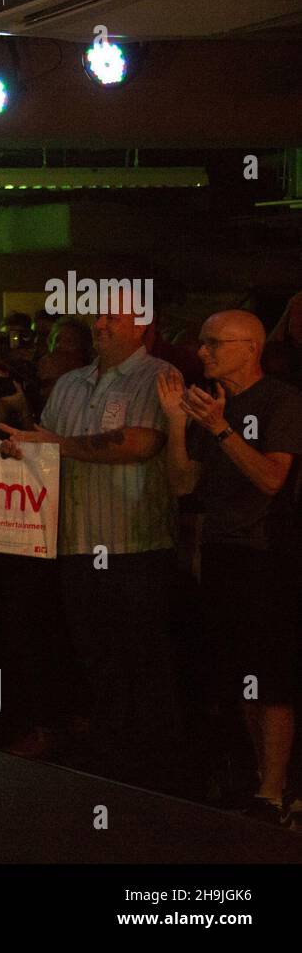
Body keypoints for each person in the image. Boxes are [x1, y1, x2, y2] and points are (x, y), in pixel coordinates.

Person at [1, 304, 180, 787]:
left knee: (143, 657)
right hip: (78, 541)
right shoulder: (70, 382)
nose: (99, 325)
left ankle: (156, 769)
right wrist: (21, 448)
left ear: (142, 325)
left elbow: (139, 444)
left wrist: (56, 444)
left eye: (113, 318)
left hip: (135, 544)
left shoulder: (159, 376)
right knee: (96, 656)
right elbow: (48, 446)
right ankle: (113, 761)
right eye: (97, 318)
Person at [157, 310, 302, 825]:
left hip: (269, 554)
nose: (203, 352)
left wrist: (221, 429)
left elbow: (270, 479)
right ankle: (267, 780)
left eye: (215, 343)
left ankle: (272, 787)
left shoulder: (281, 400)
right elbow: (182, 484)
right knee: (240, 673)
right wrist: (179, 425)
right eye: (202, 341)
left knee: (273, 675)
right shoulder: (212, 403)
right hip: (220, 550)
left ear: (250, 348)